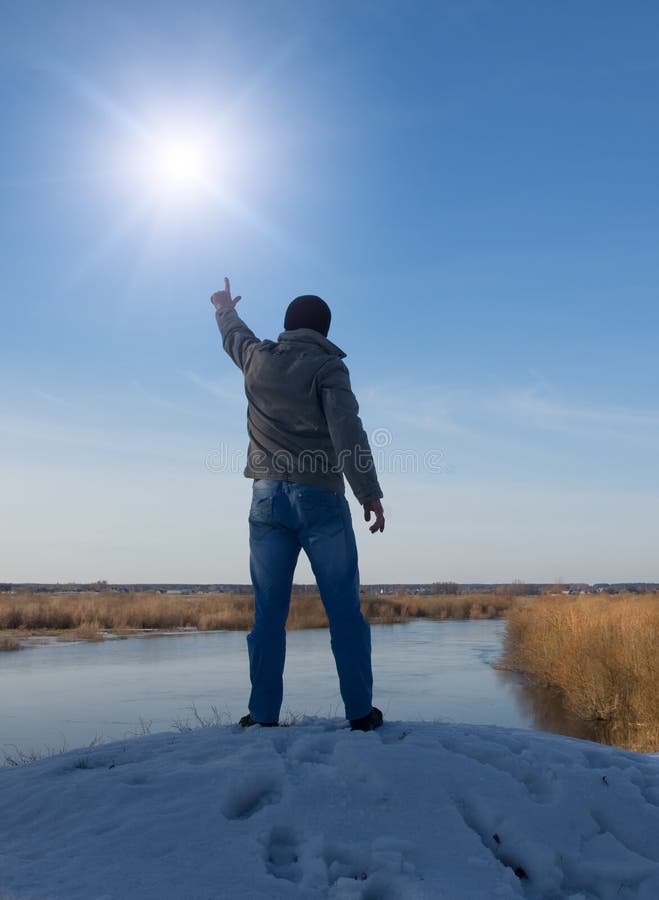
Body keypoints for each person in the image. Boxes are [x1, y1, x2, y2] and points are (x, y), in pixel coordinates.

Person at [211, 277, 385, 731]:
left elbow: (235, 334)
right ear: (324, 332)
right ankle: (360, 714)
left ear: (287, 326)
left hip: (266, 500)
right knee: (343, 611)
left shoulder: (258, 359)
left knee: (268, 613)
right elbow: (348, 432)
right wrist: (368, 492)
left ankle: (263, 715)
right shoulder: (328, 369)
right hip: (321, 500)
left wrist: (224, 306)